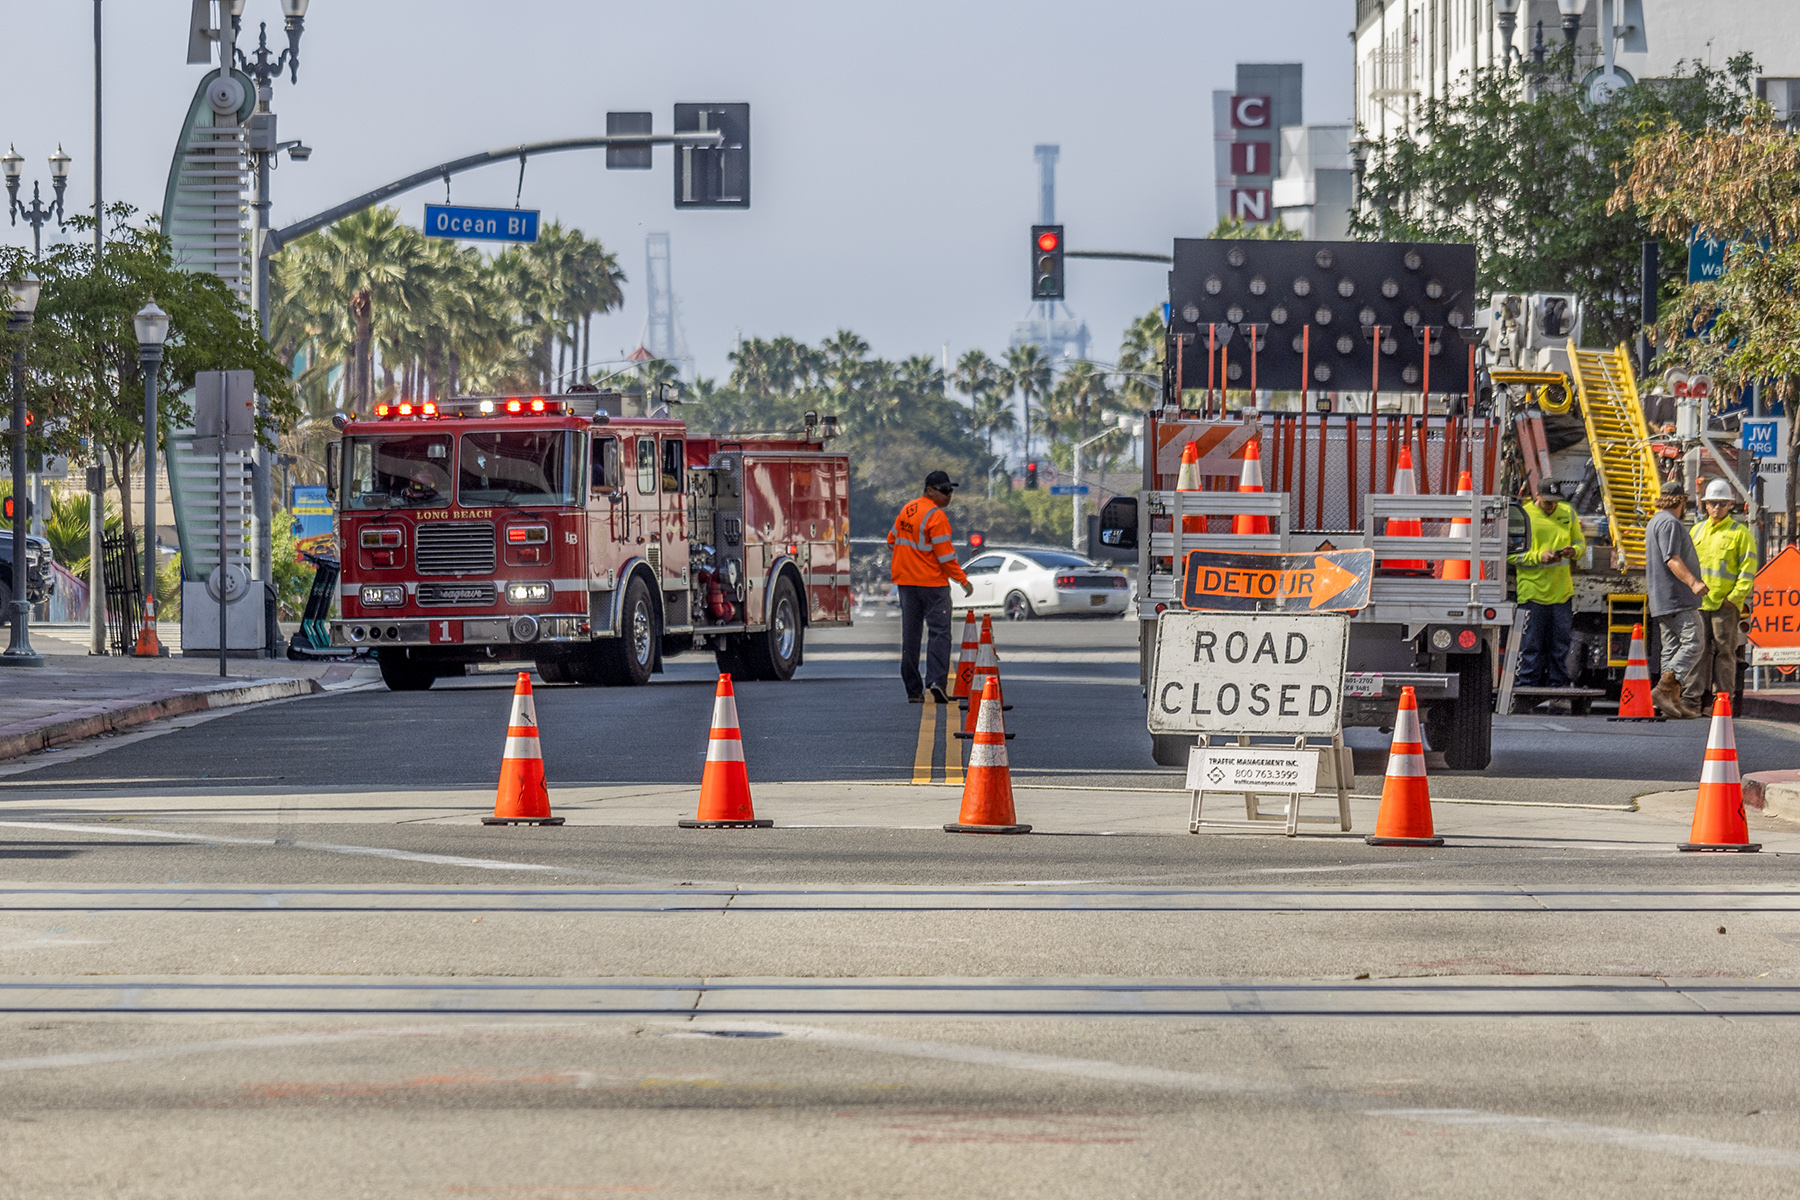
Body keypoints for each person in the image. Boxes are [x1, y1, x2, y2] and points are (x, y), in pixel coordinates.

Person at [887, 470, 974, 704]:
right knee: (940, 633)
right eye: (944, 490)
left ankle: (913, 691)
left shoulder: (908, 510)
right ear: (929, 490)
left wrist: (910, 559)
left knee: (911, 636)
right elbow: (946, 557)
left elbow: (891, 541)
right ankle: (936, 682)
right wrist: (963, 580)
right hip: (932, 585)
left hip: (906, 584)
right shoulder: (936, 517)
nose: (949, 495)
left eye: (950, 490)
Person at [1507, 479, 1585, 706]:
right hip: (1532, 591)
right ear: (1537, 496)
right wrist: (1539, 557)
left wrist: (1574, 551)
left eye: (1555, 502)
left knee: (1560, 644)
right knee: (1530, 645)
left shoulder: (1567, 513)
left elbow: (1580, 543)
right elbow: (1511, 555)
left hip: (1561, 592)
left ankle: (1557, 689)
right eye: (1548, 502)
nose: (1552, 506)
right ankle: (1525, 690)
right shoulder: (1523, 515)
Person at [1644, 480, 1710, 718]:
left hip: (1662, 598)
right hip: (1677, 597)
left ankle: (1669, 700)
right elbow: (1671, 558)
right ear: (1681, 501)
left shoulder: (1654, 522)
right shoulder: (1670, 523)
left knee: (1671, 647)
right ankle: (1664, 690)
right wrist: (1693, 582)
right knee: (1694, 642)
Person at [1691, 477, 1758, 708]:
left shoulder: (1740, 534)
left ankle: (1721, 702)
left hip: (1725, 606)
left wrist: (1735, 598)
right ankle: (1694, 701)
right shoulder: (1697, 531)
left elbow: (1748, 570)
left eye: (1721, 503)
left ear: (1730, 504)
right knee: (1698, 653)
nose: (1716, 507)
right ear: (1705, 505)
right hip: (1700, 604)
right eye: (1712, 503)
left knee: (1725, 654)